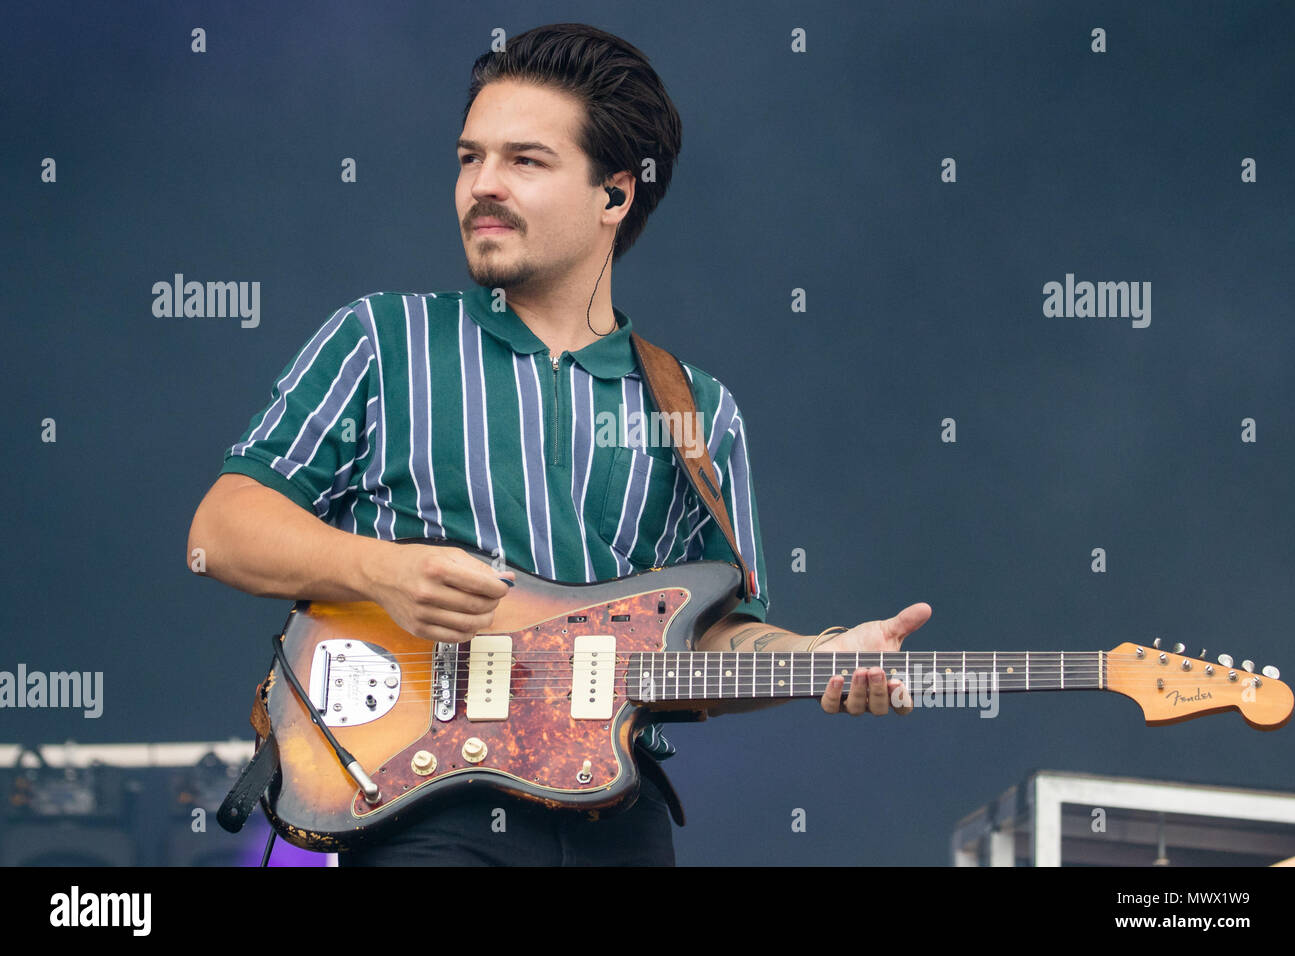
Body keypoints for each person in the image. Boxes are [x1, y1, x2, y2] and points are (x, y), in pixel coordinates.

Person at [188, 22, 929, 867]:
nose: (481, 186)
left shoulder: (697, 409)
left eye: (524, 162)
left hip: (615, 814)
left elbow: (711, 643)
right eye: (471, 158)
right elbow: (221, 530)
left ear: (616, 195)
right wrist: (381, 571)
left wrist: (824, 656)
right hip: (419, 808)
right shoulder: (379, 341)